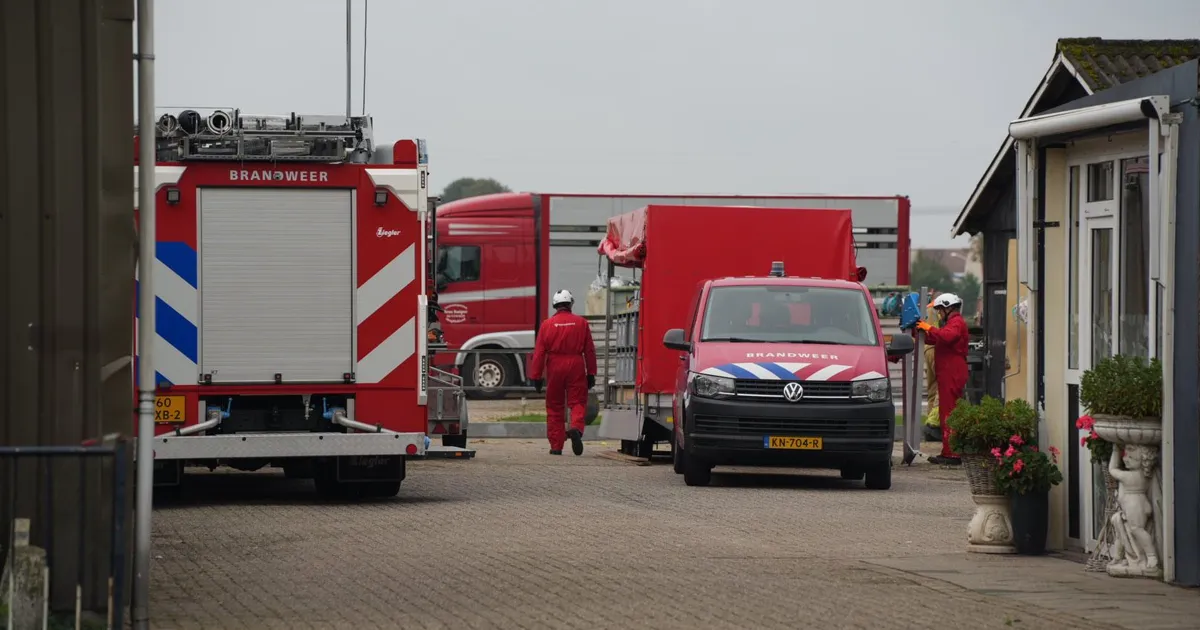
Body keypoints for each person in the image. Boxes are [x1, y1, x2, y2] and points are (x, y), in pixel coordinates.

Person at [528, 289, 597, 456]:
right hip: (576, 364)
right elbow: (589, 351)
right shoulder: (582, 323)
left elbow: (539, 353)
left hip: (555, 366)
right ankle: (576, 428)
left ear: (555, 305)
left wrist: (535, 377)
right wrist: (591, 373)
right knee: (578, 402)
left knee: (554, 405)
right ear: (570, 303)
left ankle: (556, 446)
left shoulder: (546, 325)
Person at [917, 293, 968, 465]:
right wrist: (921, 330)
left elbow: (947, 336)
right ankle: (948, 451)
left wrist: (929, 328)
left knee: (949, 413)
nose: (939, 314)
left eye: (940, 310)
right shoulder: (951, 323)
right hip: (948, 374)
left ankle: (952, 454)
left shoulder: (956, 323)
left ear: (948, 308)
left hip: (952, 373)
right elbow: (937, 338)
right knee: (945, 412)